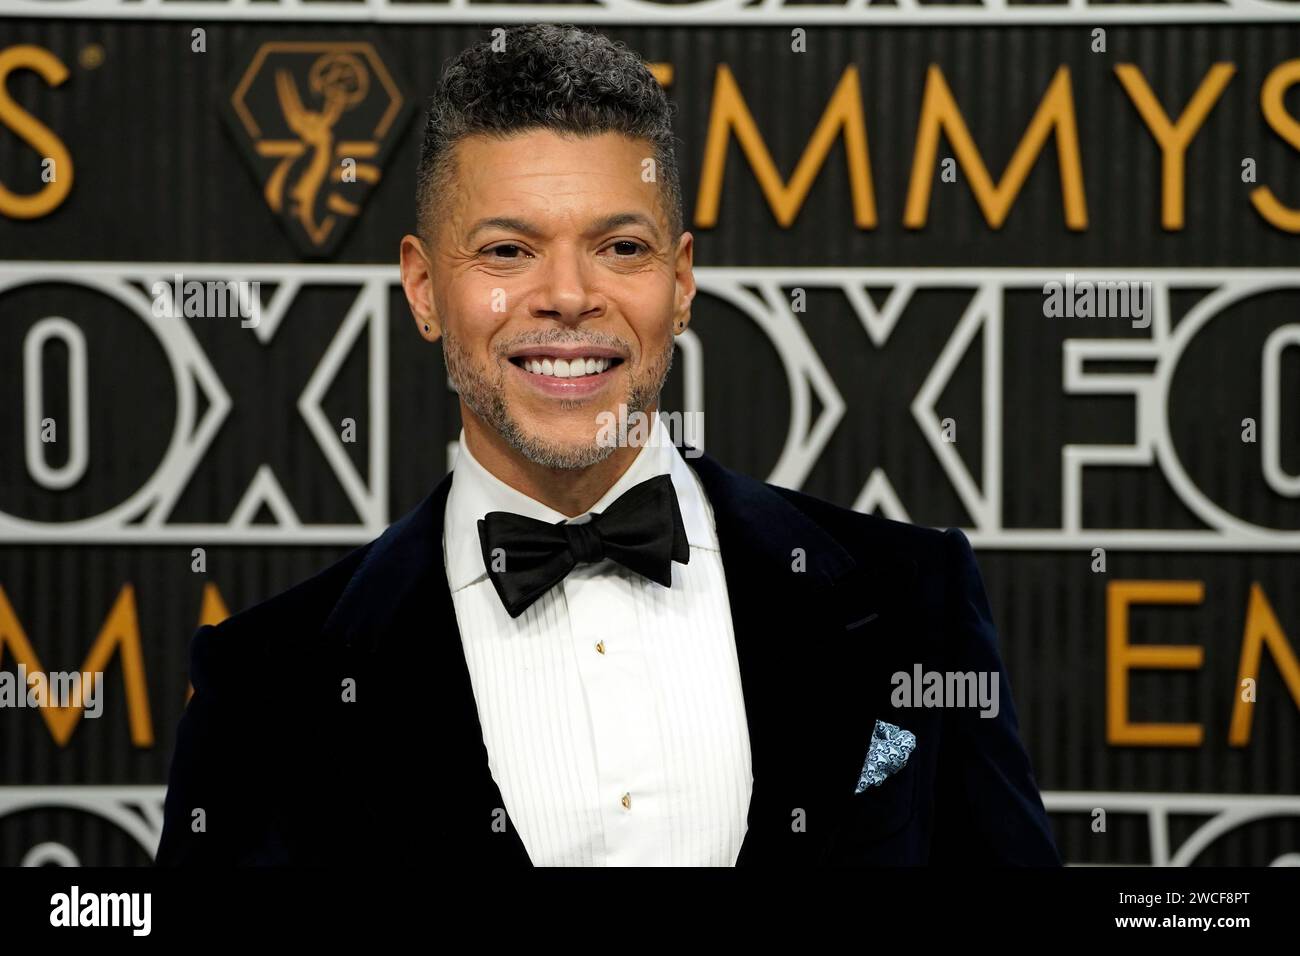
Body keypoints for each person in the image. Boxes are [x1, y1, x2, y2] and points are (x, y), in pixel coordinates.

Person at [156, 23, 1060, 867]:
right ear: (425, 290)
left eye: (620, 247)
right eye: (507, 252)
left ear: (680, 282)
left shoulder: (913, 601)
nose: (568, 296)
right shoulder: (266, 688)